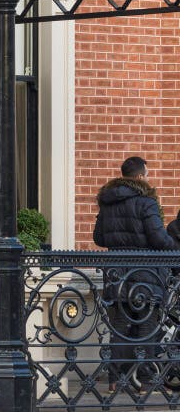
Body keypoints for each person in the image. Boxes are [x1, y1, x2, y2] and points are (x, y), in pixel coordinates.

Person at [93, 156, 180, 391]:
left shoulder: (107, 201)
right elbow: (158, 238)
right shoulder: (146, 202)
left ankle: (114, 379)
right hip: (146, 272)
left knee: (120, 325)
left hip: (116, 273)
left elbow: (99, 238)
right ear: (141, 176)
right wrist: (174, 247)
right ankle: (145, 379)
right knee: (147, 324)